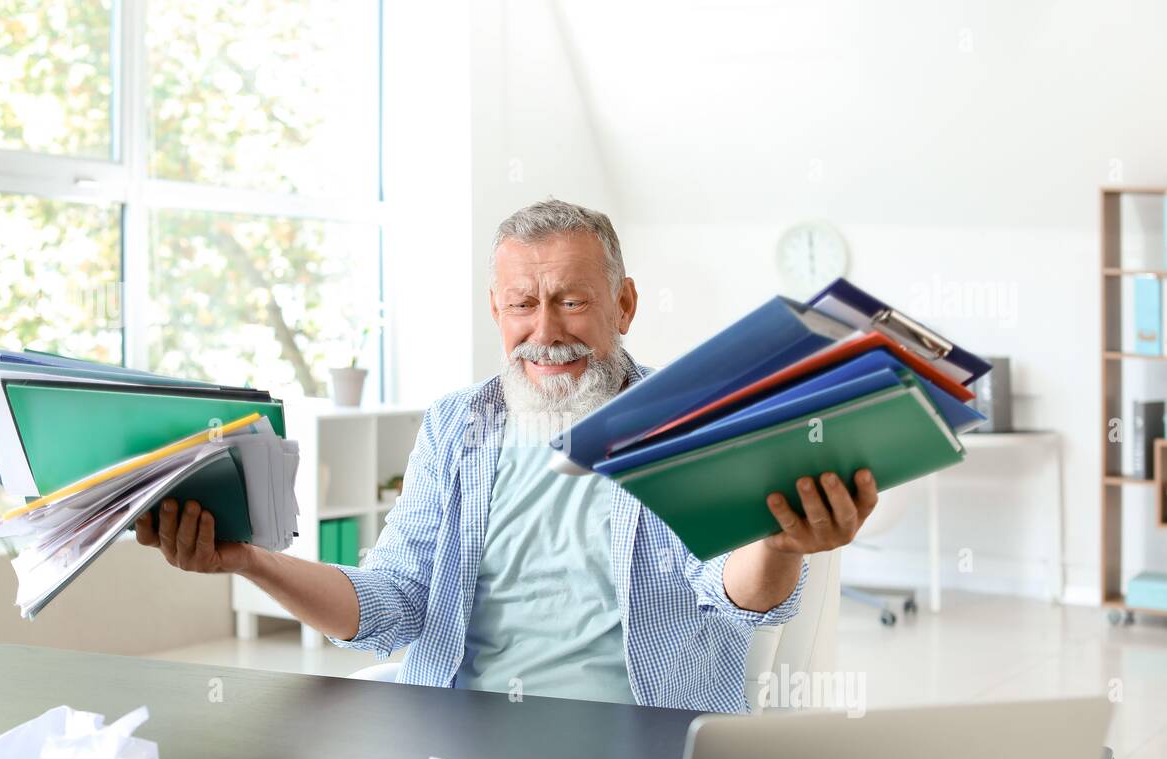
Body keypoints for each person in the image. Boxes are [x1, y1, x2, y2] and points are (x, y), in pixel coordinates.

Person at [137, 198, 878, 712]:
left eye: (573, 301)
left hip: (641, 731)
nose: (545, 330)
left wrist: (781, 545)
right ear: (497, 311)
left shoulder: (688, 420)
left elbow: (731, 595)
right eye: (523, 304)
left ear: (623, 305)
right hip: (459, 736)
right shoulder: (456, 426)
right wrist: (250, 562)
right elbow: (394, 604)